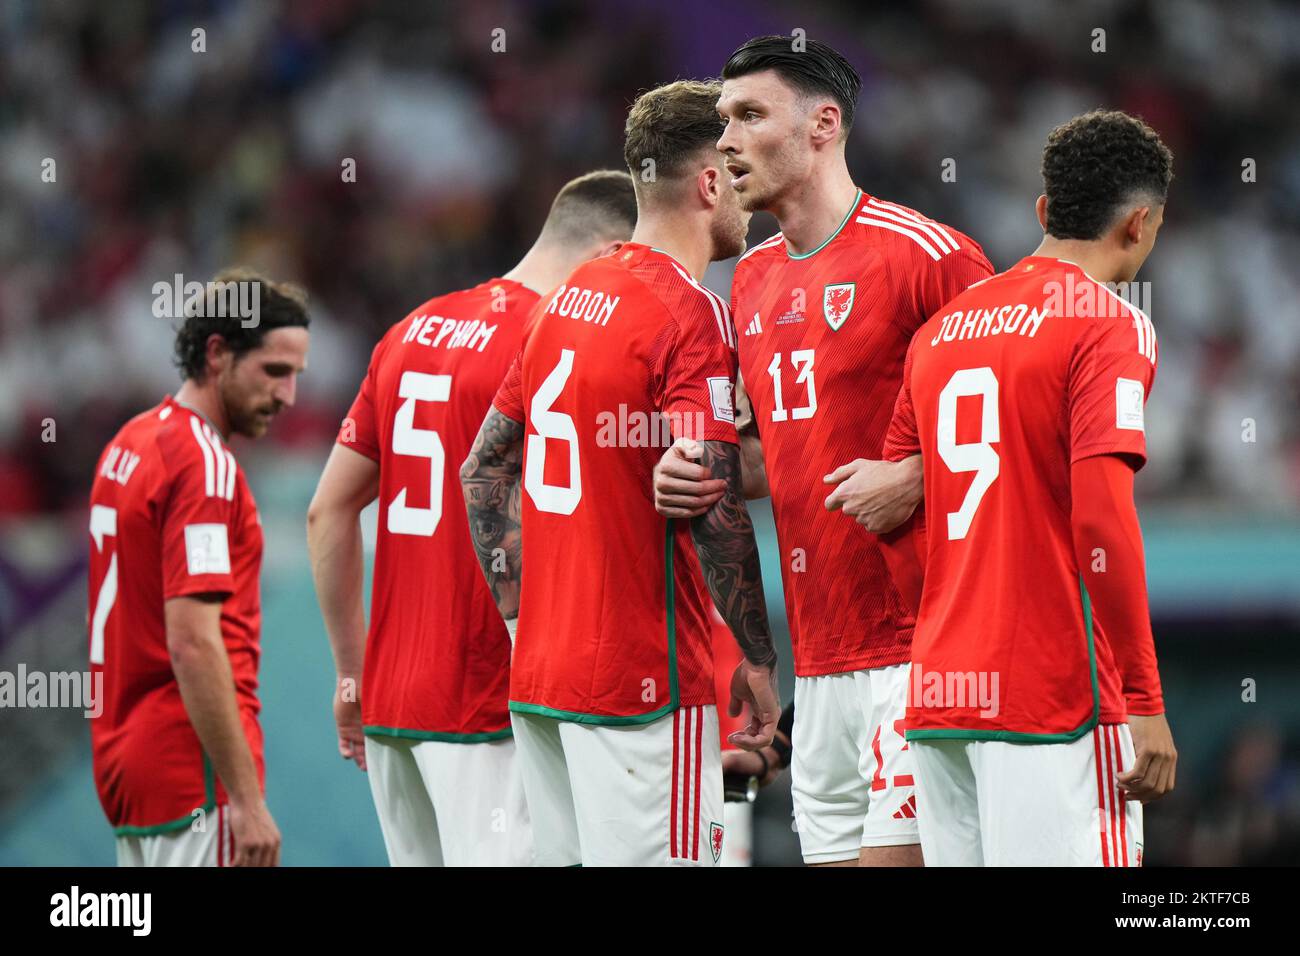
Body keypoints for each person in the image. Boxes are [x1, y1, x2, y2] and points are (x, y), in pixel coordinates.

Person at [653, 36, 992, 866]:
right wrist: (696, 471)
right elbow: (776, 458)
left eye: (749, 115)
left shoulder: (931, 258)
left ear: (824, 125)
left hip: (925, 653)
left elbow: (1024, 430)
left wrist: (918, 473)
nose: (725, 140)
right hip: (823, 662)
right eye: (720, 120)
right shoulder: (752, 280)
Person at [460, 79, 780, 867]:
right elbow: (711, 499)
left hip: (541, 679)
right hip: (639, 687)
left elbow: (482, 470)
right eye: (736, 178)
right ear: (709, 184)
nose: (749, 202)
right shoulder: (689, 310)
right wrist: (756, 656)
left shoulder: (564, 299)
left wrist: (518, 613)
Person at [873, 109, 1177, 865]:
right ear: (1140, 224)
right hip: (1056, 700)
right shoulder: (1109, 324)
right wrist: (1141, 697)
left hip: (942, 696)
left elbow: (891, 518)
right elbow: (1102, 521)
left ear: (1044, 212)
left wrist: (940, 641)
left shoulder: (939, 332)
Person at [306, 171, 637, 866]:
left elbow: (326, 510)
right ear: (612, 255)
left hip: (394, 704)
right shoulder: (552, 340)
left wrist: (350, 675)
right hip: (493, 701)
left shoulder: (408, 331)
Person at [88, 269, 310, 866]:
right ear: (217, 353)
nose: (288, 395)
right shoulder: (202, 465)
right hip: (193, 776)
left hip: (129, 771)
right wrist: (245, 798)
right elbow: (191, 642)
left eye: (296, 376)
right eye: (274, 371)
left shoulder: (129, 443)